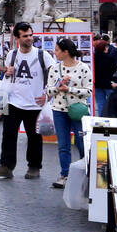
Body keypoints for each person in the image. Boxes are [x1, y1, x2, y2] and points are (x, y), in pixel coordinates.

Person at [0, 22, 55, 181]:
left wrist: (48, 95)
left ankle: (34, 167)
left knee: (34, 137)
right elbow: (8, 75)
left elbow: (54, 76)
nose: (29, 38)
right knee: (8, 135)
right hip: (14, 101)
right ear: (18, 38)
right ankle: (6, 166)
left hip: (34, 103)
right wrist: (8, 71)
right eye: (25, 36)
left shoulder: (42, 55)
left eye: (31, 35)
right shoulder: (12, 54)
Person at [45, 37, 91, 189]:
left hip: (78, 110)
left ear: (66, 52)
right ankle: (65, 174)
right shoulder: (54, 69)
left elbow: (89, 91)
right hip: (59, 110)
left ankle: (87, 173)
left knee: (81, 143)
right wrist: (60, 86)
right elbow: (49, 90)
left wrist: (70, 89)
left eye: (57, 50)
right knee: (63, 145)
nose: (55, 53)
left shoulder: (83, 68)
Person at [92, 35, 116, 115]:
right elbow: (114, 69)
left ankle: (101, 118)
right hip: (108, 82)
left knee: (100, 103)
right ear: (105, 48)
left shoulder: (93, 58)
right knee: (112, 102)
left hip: (97, 83)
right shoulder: (110, 58)